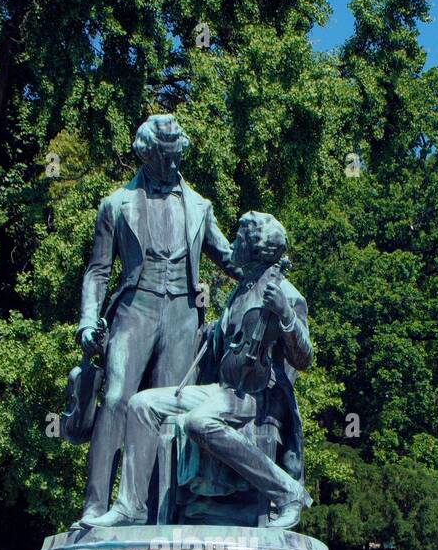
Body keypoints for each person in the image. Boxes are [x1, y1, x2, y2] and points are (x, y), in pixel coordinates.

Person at [86, 212, 313, 531]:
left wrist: (286, 314)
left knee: (198, 421)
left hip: (257, 396)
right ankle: (130, 507)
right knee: (141, 405)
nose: (233, 242)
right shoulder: (242, 289)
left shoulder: (286, 293)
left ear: (254, 246)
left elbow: (304, 358)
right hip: (224, 389)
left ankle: (287, 492)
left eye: (240, 238)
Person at [73, 114, 237, 525]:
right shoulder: (115, 203)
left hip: (183, 313)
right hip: (135, 308)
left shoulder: (200, 206)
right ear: (147, 154)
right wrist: (88, 320)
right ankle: (95, 506)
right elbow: (97, 270)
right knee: (115, 401)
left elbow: (230, 258)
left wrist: (265, 261)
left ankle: (156, 516)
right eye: (164, 157)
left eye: (176, 155)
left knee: (168, 412)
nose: (172, 165)